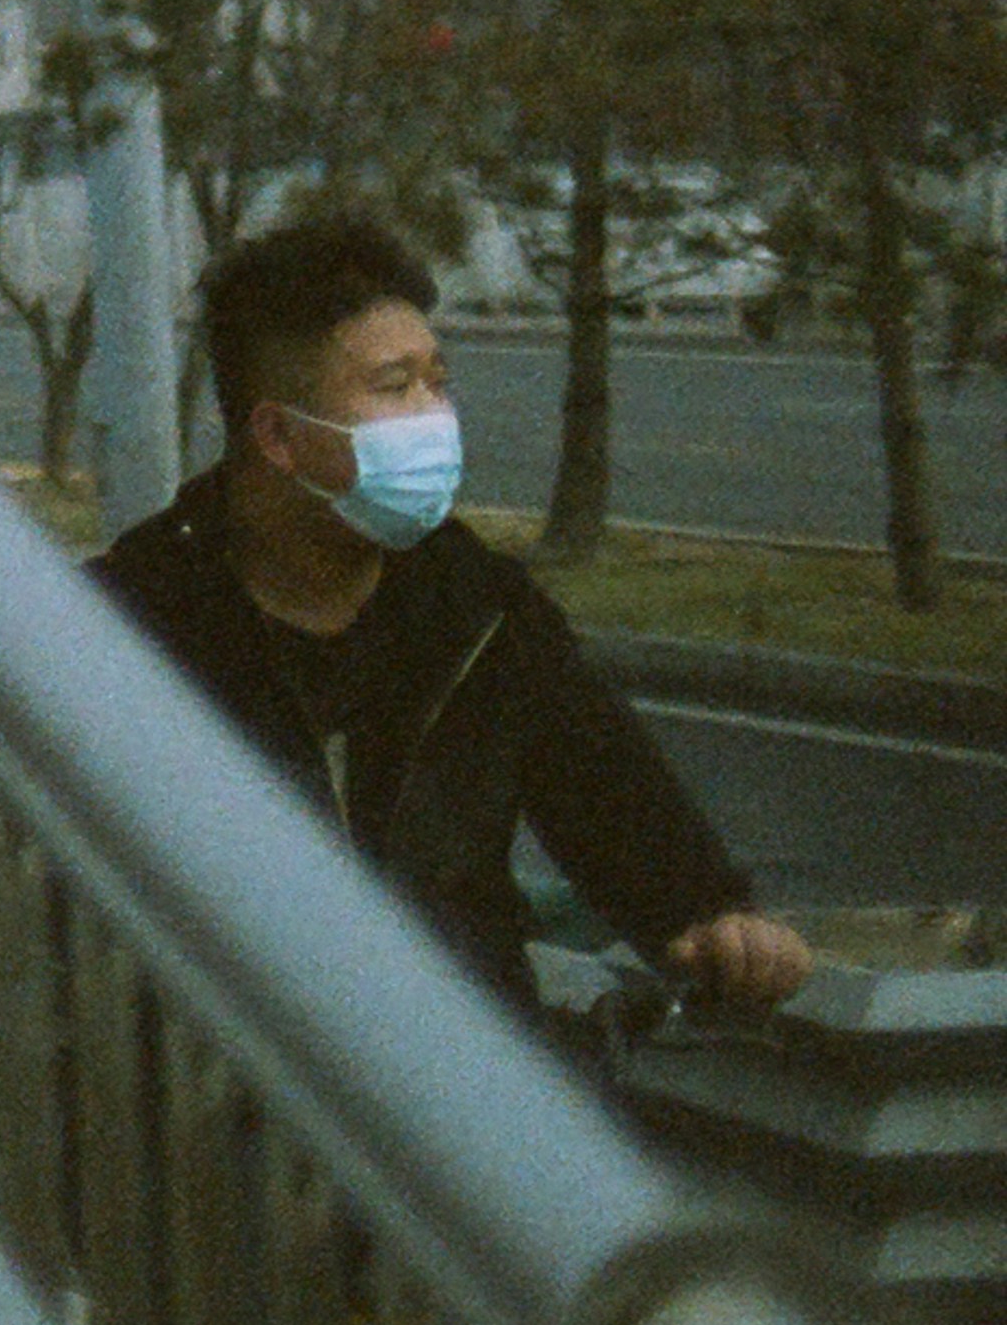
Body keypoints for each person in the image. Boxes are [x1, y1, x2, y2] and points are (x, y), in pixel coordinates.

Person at [88, 205, 815, 1021]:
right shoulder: (125, 626)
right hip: (228, 1087)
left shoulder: (480, 611)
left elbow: (617, 800)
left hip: (462, 1081)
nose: (434, 418)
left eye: (439, 381)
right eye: (394, 387)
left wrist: (715, 919)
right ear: (279, 436)